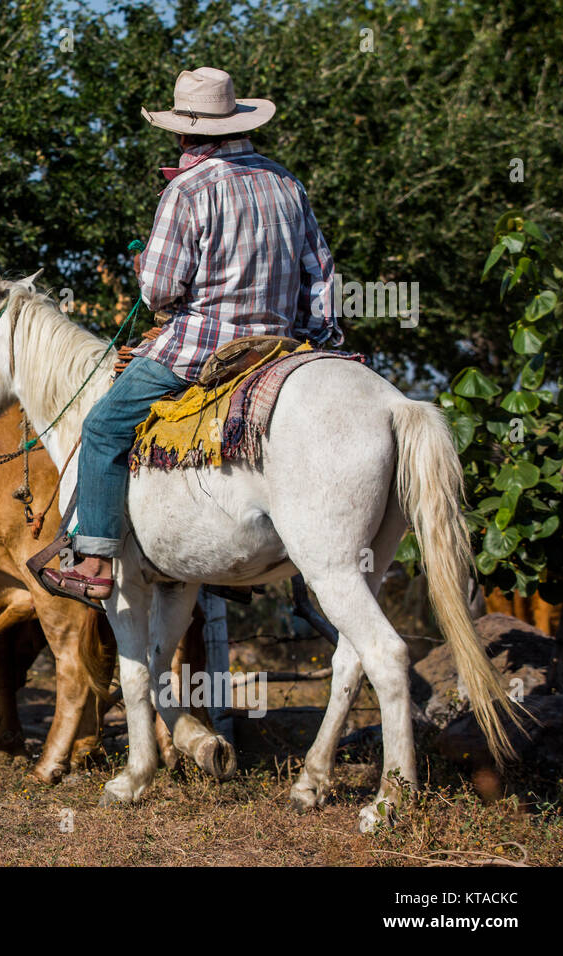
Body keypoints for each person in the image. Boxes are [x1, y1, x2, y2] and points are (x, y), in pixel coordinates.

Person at [42, 66, 342, 606]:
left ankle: (93, 558)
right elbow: (320, 273)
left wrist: (143, 270)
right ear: (237, 124)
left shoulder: (187, 189)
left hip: (201, 350)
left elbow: (159, 292)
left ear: (184, 134)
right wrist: (320, 341)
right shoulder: (286, 183)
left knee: (104, 427)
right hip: (280, 348)